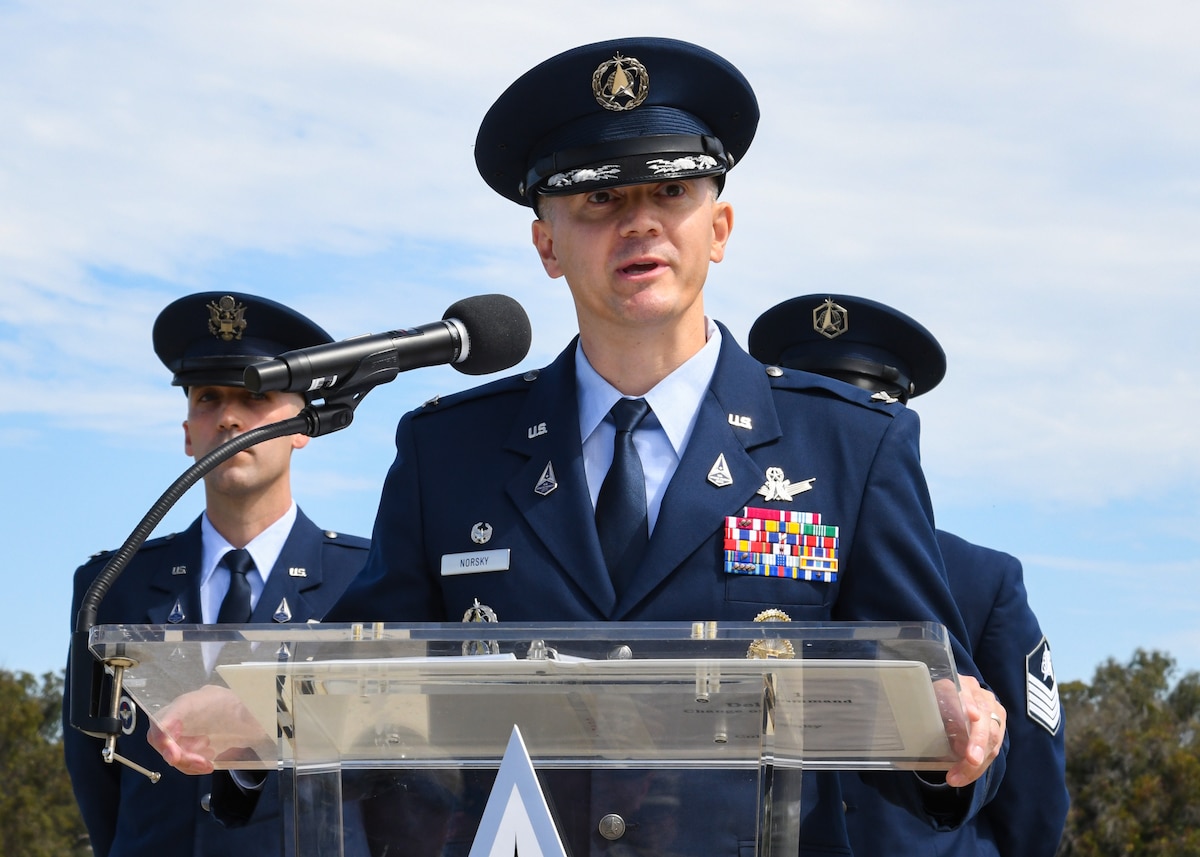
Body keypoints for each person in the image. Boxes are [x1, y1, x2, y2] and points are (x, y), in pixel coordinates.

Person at [151, 38, 1007, 855]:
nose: (639, 223)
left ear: (721, 227)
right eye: (599, 198)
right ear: (546, 243)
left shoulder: (852, 448)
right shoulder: (450, 454)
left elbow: (937, 708)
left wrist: (958, 731)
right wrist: (254, 727)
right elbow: (351, 672)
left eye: (670, 193)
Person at [749, 293, 1068, 855]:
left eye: (859, 418)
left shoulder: (981, 579)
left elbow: (1033, 794)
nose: (838, 437)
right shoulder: (737, 555)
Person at [63, 292, 371, 857]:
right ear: (187, 433)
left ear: (304, 424)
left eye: (255, 396)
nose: (229, 417)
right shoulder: (113, 584)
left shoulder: (365, 579)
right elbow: (94, 773)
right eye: (208, 398)